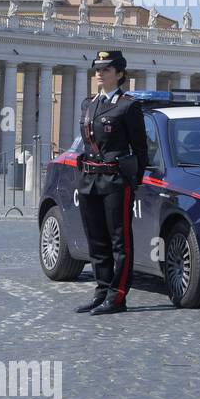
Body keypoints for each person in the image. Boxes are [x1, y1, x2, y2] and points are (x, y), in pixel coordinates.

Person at [75, 49, 148, 315]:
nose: (99, 73)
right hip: (89, 181)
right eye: (97, 69)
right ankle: (102, 290)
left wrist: (133, 182)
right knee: (97, 240)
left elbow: (141, 150)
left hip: (116, 181)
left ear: (119, 73)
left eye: (106, 69)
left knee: (120, 241)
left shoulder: (128, 106)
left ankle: (117, 296)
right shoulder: (89, 104)